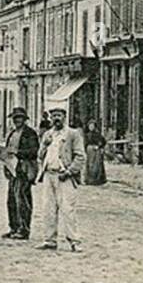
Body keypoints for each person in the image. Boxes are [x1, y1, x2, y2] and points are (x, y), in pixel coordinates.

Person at [37, 105, 86, 251]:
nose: (56, 118)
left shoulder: (72, 134)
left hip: (64, 176)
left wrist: (70, 171)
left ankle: (75, 241)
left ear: (64, 117)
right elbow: (40, 156)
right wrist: (44, 146)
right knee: (48, 209)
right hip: (48, 174)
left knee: (67, 209)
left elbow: (80, 156)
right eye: (53, 116)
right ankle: (49, 240)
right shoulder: (47, 134)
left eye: (59, 115)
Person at [1, 106, 39, 240]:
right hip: (13, 169)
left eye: (20, 118)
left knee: (22, 199)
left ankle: (24, 229)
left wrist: (17, 152)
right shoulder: (12, 134)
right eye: (15, 118)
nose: (17, 120)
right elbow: (7, 152)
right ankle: (14, 227)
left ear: (24, 119)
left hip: (24, 169)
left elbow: (34, 152)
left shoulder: (30, 134)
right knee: (11, 200)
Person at [84, 119, 107, 185]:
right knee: (89, 165)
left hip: (96, 151)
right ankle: (89, 180)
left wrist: (98, 146)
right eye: (89, 126)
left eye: (92, 126)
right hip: (89, 151)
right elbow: (85, 143)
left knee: (96, 166)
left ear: (94, 126)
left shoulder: (97, 134)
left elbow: (103, 141)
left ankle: (96, 180)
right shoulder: (87, 134)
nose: (91, 127)